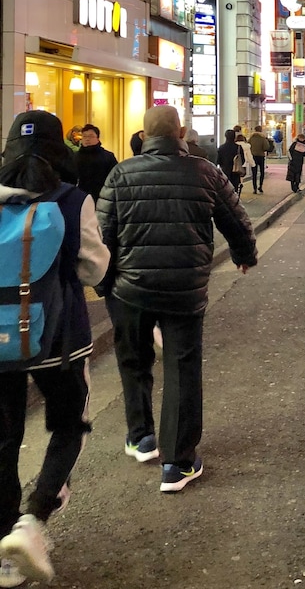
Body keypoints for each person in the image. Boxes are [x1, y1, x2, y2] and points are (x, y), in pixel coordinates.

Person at [96, 106, 257, 494]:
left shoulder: (121, 173)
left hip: (131, 287)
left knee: (133, 359)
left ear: (144, 134)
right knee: (182, 367)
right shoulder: (205, 172)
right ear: (181, 132)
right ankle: (177, 462)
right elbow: (235, 219)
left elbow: (103, 234)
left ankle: (141, 437)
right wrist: (244, 255)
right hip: (185, 286)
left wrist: (105, 284)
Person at [0, 111, 109, 586]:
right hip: (58, 338)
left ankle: (4, 554)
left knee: (3, 441)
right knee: (70, 425)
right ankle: (33, 519)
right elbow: (93, 270)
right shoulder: (71, 200)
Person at [75, 123, 118, 203]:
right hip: (80, 197)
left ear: (98, 138)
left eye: (91, 136)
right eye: (84, 136)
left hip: (102, 196)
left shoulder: (108, 156)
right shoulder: (75, 157)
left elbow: (115, 177)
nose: (87, 139)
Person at [217, 128, 243, 194]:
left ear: (225, 136)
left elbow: (218, 161)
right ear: (234, 137)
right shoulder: (238, 147)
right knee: (235, 190)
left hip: (225, 171)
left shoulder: (221, 147)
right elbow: (242, 159)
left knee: (225, 189)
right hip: (236, 171)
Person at [249, 125, 273, 194]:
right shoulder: (263, 138)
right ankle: (260, 187)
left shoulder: (251, 138)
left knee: (254, 173)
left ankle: (254, 188)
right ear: (261, 130)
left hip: (253, 156)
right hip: (261, 156)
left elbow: (248, 145)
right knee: (262, 172)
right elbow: (266, 147)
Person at [234, 134, 255, 199]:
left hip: (234, 164)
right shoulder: (246, 146)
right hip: (243, 164)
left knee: (234, 177)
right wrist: (253, 164)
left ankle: (235, 190)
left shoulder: (235, 146)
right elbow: (249, 156)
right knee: (241, 177)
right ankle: (240, 187)